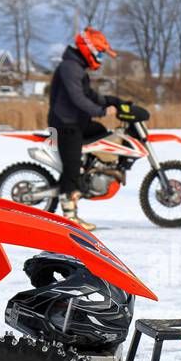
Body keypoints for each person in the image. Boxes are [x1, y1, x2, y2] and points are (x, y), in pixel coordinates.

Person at [47, 27, 119, 229]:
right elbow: (77, 98)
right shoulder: (70, 67)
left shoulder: (78, 67)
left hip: (77, 121)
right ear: (90, 49)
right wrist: (102, 111)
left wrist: (110, 101)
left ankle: (87, 172)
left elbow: (89, 94)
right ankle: (70, 215)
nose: (101, 57)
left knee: (102, 133)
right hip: (65, 124)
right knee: (71, 168)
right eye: (100, 52)